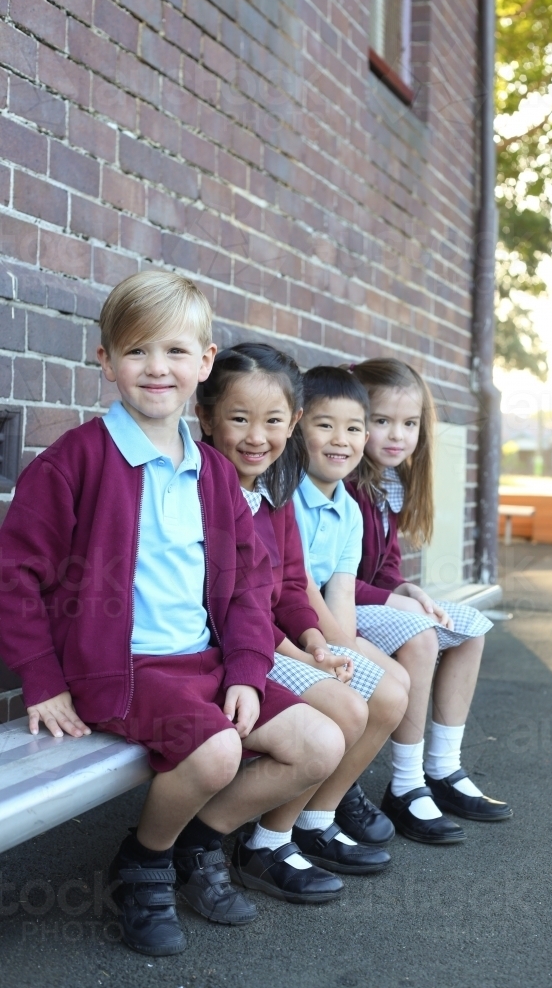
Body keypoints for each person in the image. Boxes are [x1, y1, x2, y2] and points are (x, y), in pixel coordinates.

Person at [0, 272, 346, 957]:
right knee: (217, 751)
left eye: (175, 352)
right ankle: (143, 867)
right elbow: (16, 576)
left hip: (205, 663)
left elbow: (249, 586)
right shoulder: (77, 462)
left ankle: (190, 845)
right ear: (105, 360)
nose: (156, 368)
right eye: (135, 352)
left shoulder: (214, 473)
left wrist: (247, 669)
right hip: (119, 672)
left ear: (204, 362)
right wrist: (43, 678)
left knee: (320, 743)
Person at [196, 343, 408, 876]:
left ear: (289, 423)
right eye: (239, 419)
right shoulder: (204, 488)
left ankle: (297, 826)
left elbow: (291, 584)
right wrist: (301, 652)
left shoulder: (274, 489)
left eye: (271, 421)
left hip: (272, 641)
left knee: (368, 696)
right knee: (347, 708)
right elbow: (230, 608)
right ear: (206, 415)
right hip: (226, 650)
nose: (256, 437)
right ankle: (252, 837)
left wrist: (316, 642)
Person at [345, 358, 512, 845]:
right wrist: (391, 601)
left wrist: (404, 590)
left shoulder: (387, 482)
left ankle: (442, 769)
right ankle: (406, 784)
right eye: (381, 421)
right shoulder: (343, 486)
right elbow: (324, 580)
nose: (397, 435)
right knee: (419, 636)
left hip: (374, 603)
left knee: (470, 627)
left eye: (410, 423)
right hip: (337, 612)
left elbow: (386, 566)